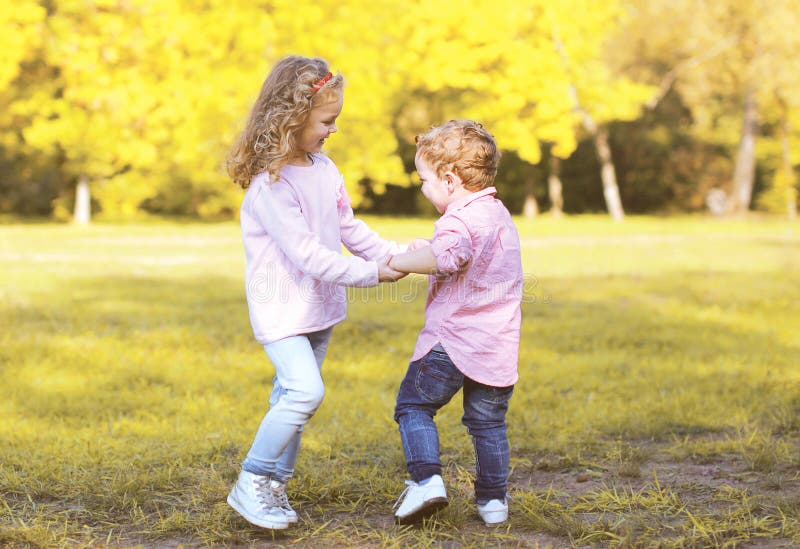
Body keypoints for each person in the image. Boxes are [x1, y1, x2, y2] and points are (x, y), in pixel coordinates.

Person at [225, 55, 405, 530]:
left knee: (290, 398)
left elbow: (348, 227)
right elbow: (306, 254)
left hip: (318, 309)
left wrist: (394, 255)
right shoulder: (271, 186)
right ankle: (252, 480)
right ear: (292, 118)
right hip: (281, 309)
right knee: (305, 392)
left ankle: (274, 487)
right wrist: (373, 275)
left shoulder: (323, 169)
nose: (333, 130)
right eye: (327, 121)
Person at [387, 120, 523, 526]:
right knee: (488, 423)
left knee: (413, 406)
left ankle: (426, 480)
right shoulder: (496, 214)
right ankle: (493, 502)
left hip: (452, 341)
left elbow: (444, 257)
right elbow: (462, 256)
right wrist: (423, 249)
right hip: (496, 344)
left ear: (449, 180)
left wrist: (396, 262)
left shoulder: (458, 221)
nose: (423, 188)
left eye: (424, 180)